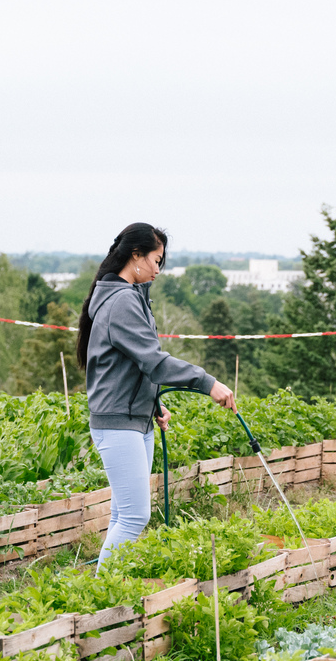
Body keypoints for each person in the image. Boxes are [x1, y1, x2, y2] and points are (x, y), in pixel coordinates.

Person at [76, 223, 235, 567]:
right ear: (135, 256)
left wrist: (153, 401)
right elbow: (154, 361)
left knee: (123, 514)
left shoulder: (129, 296)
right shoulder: (121, 302)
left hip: (136, 419)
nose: (158, 270)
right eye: (156, 260)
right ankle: (102, 597)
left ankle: (108, 593)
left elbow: (129, 363)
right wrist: (209, 383)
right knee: (135, 518)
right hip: (118, 423)